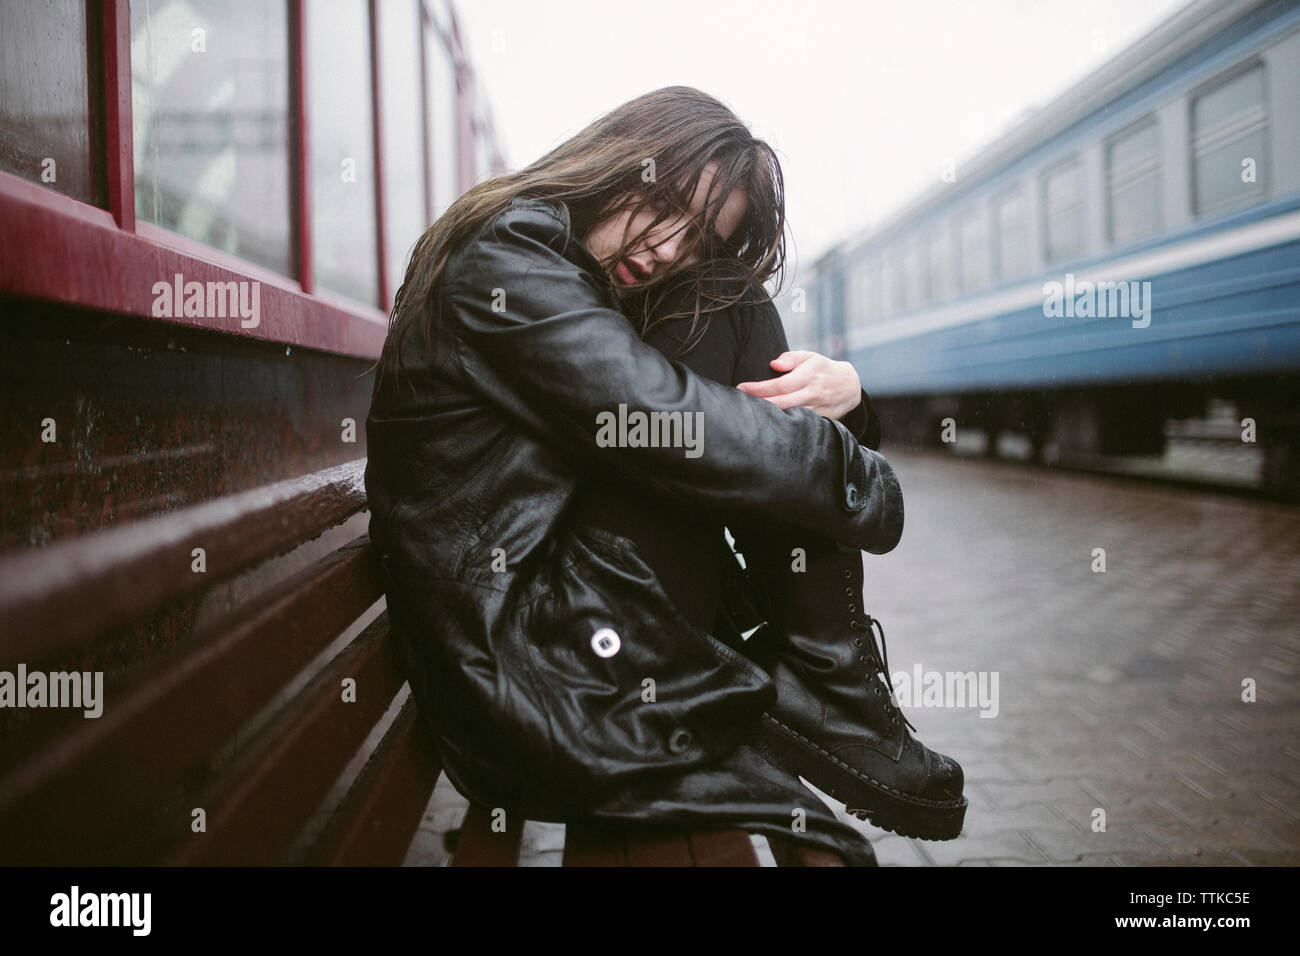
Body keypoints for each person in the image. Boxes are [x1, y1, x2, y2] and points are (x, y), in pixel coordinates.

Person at [364, 86, 962, 866]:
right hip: (520, 655)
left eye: (699, 233)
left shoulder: (555, 260)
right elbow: (662, 419)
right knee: (720, 343)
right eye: (665, 203)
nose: (673, 245)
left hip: (565, 620)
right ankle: (835, 697)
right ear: (614, 161)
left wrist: (844, 402)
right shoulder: (504, 257)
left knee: (728, 302)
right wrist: (862, 476)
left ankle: (836, 694)